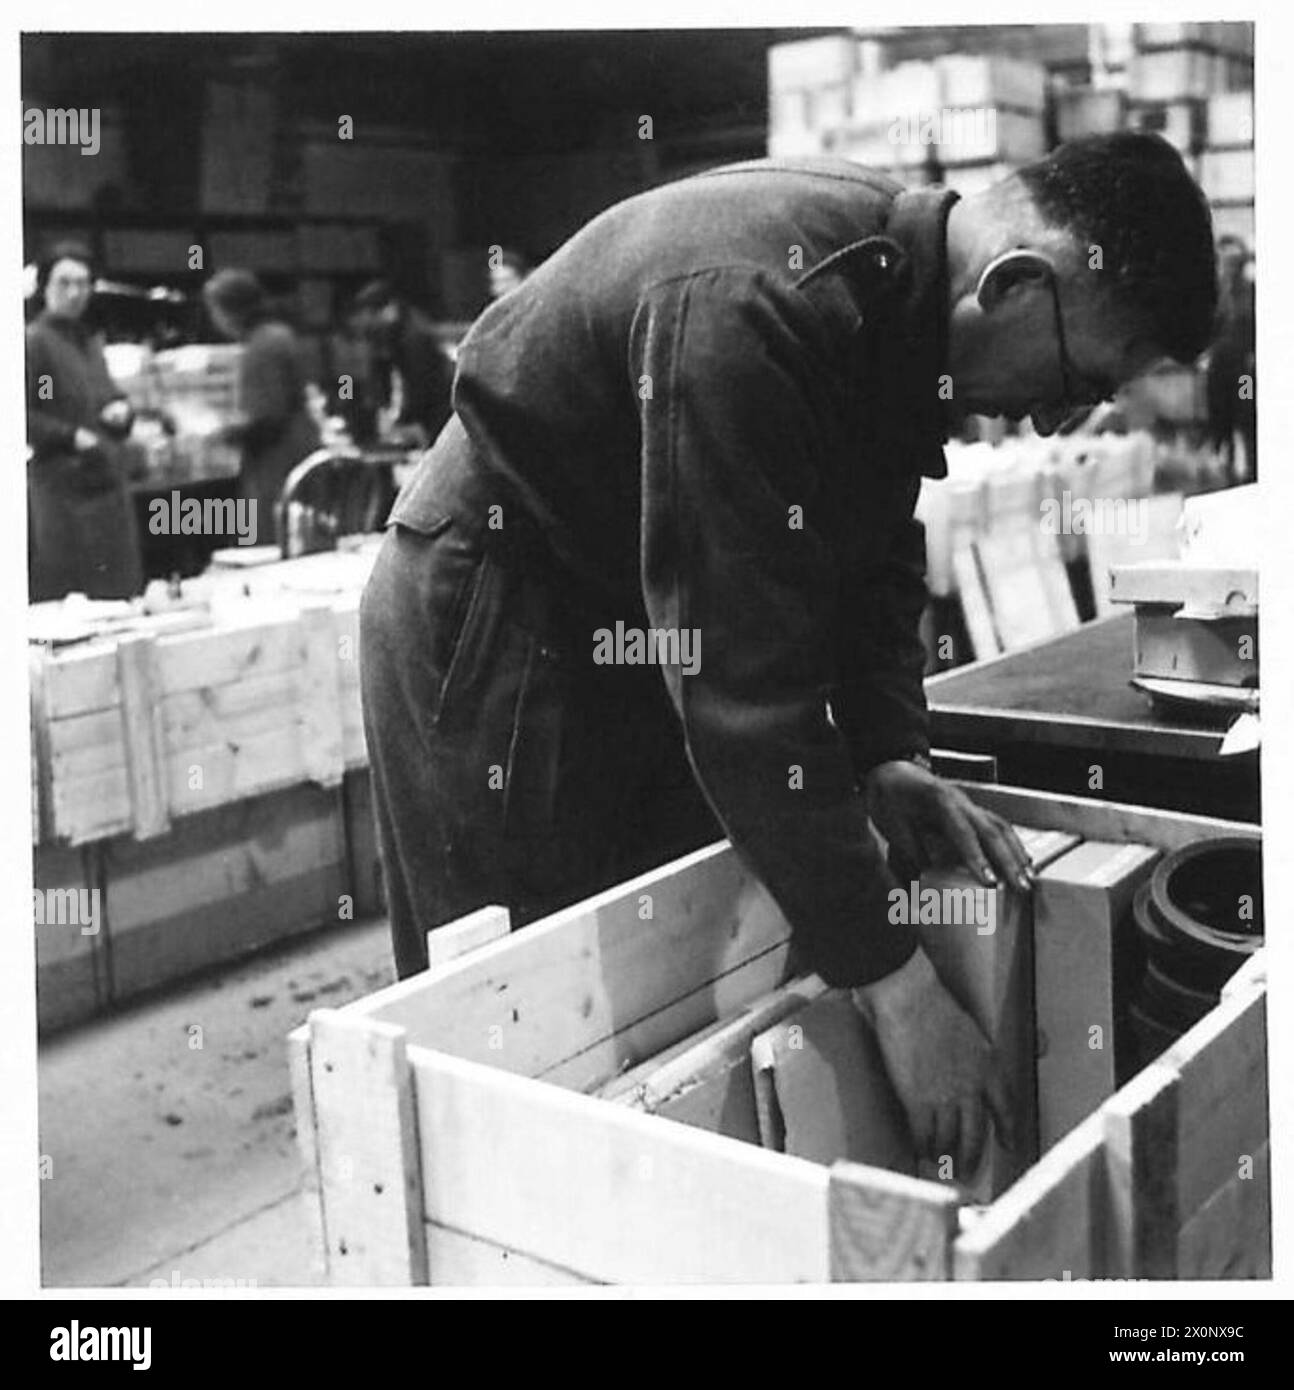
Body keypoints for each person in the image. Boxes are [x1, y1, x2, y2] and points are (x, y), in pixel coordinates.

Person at [360, 134, 1217, 1177]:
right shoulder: (754, 305)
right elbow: (745, 692)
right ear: (1013, 282)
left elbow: (873, 546)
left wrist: (887, 752)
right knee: (523, 1027)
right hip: (506, 607)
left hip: (634, 596)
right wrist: (898, 992)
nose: (1051, 419)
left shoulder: (891, 302)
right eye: (1075, 378)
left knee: (667, 983)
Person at [25, 241, 144, 601]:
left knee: (119, 594)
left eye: (83, 283)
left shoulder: (89, 341)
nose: (75, 293)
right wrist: (70, 436)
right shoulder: (34, 343)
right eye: (64, 282)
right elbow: (23, 414)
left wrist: (121, 411)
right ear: (44, 287)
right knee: (77, 600)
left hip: (107, 486)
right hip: (66, 493)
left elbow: (107, 394)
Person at [202, 269, 320, 546]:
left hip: (278, 459)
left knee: (274, 540)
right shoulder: (279, 334)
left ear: (230, 310)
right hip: (298, 446)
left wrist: (226, 434)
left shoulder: (262, 347)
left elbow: (268, 417)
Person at [351, 280, 455, 450]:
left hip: (438, 407)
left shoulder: (414, 335)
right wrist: (381, 406)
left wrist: (408, 419)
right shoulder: (385, 332)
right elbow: (381, 372)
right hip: (420, 406)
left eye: (371, 315)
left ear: (386, 311)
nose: (368, 322)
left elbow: (421, 383)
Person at [1205, 234, 1256, 483]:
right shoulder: (1214, 295)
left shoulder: (1253, 291)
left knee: (1245, 413)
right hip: (1219, 367)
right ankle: (1222, 466)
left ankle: (1252, 471)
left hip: (1244, 371)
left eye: (1235, 261)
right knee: (1218, 416)